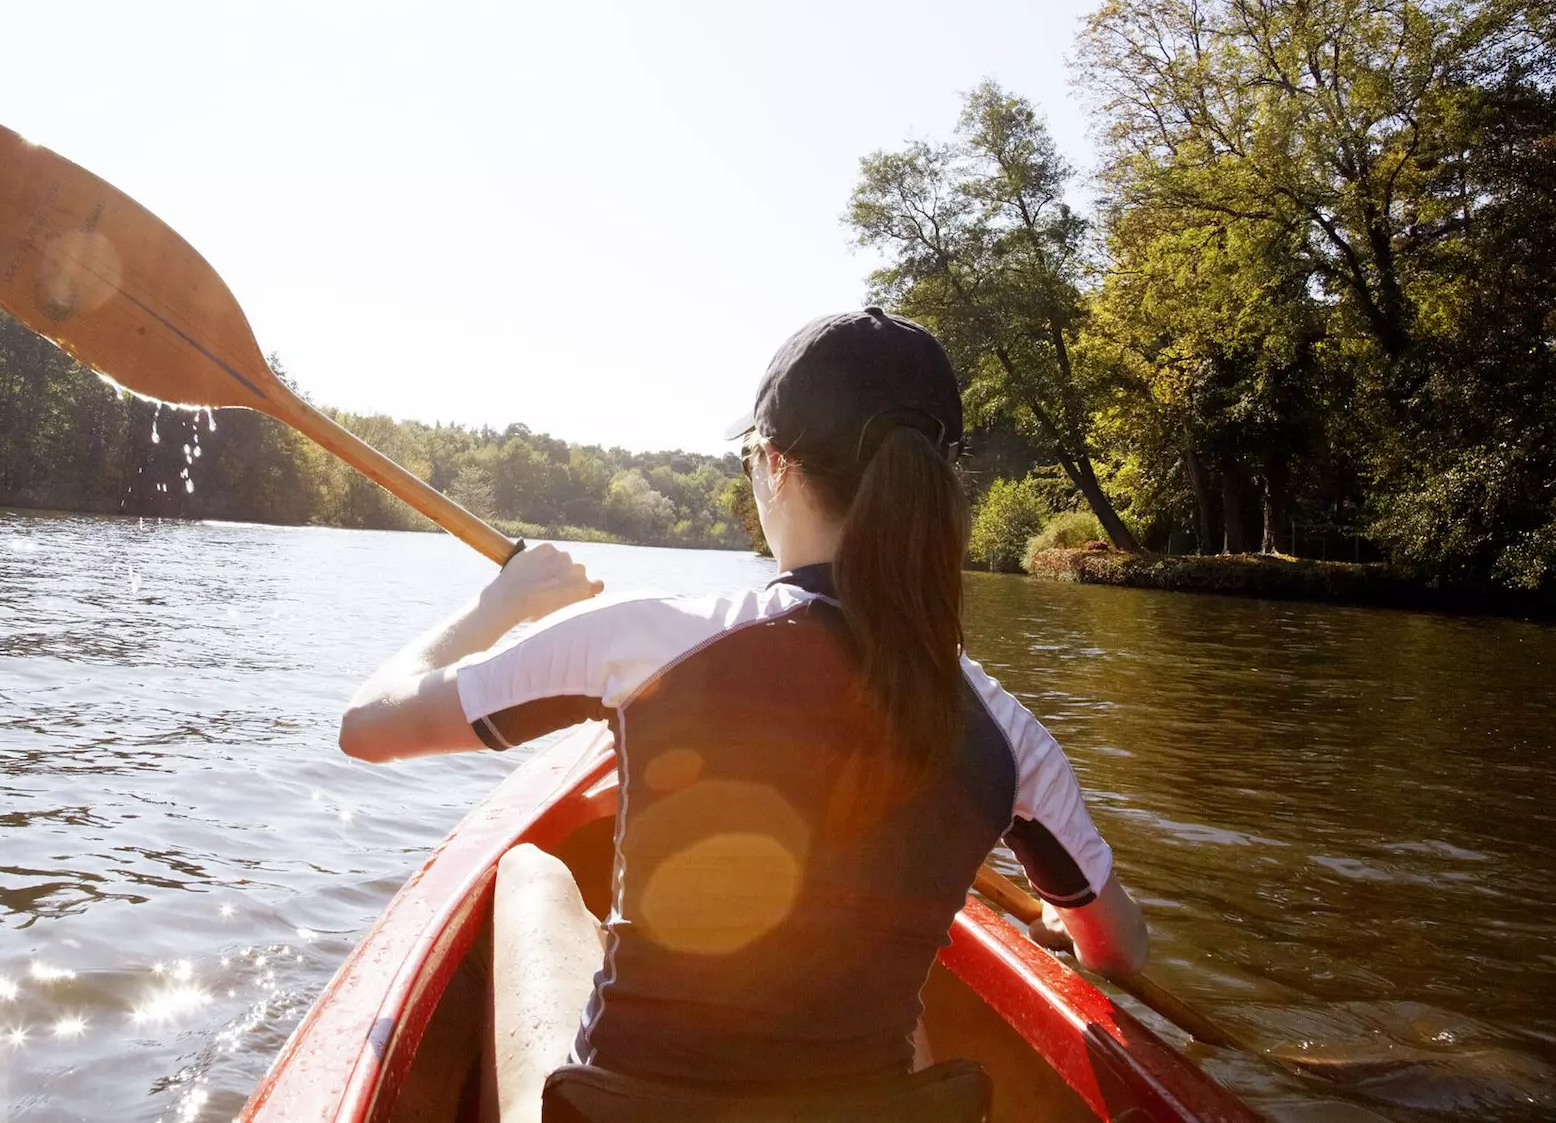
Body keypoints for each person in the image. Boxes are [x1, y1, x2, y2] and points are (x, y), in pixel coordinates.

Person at [339, 309, 1149, 1122]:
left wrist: (500, 604)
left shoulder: (647, 638)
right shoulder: (1009, 732)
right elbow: (1116, 948)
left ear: (774, 465)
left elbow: (369, 725)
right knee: (905, 1006)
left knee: (531, 872)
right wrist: (1058, 916)